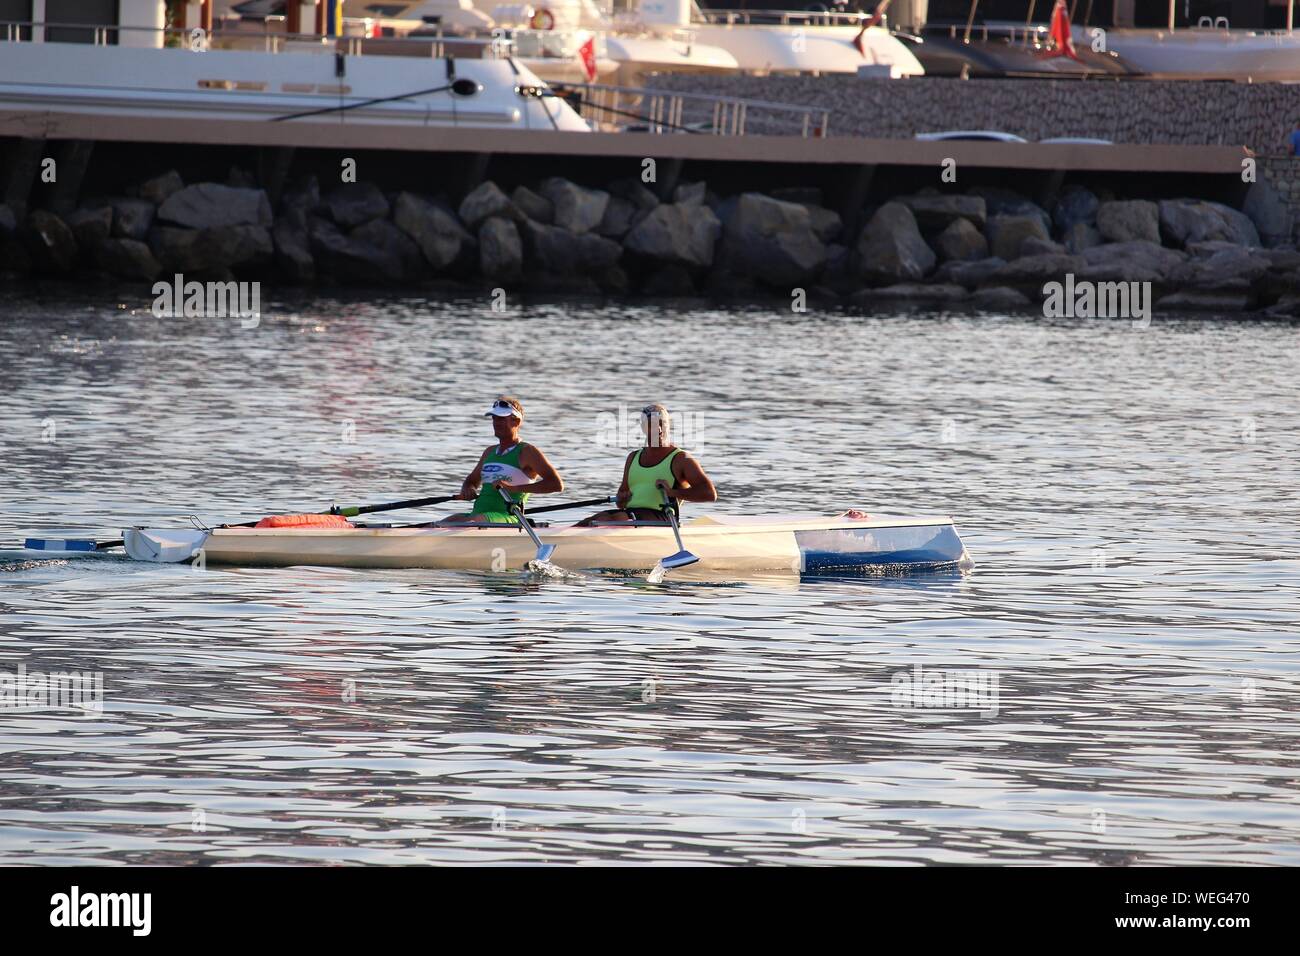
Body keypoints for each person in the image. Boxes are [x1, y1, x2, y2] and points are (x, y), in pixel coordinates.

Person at [578, 403, 716, 525]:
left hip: (663, 518)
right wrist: (621, 499)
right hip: (630, 515)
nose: (659, 430)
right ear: (644, 428)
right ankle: (562, 541)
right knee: (595, 519)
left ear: (667, 427)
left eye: (662, 424)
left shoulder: (681, 459)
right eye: (652, 425)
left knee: (609, 519)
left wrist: (672, 492)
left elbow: (709, 493)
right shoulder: (633, 457)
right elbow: (621, 503)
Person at [440, 396, 564, 524]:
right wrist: (468, 489)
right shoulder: (489, 452)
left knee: (473, 521)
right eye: (494, 418)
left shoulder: (527, 452)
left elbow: (556, 484)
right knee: (438, 524)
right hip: (477, 516)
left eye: (501, 418)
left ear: (516, 421)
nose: (496, 422)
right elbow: (471, 481)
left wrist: (513, 488)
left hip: (508, 517)